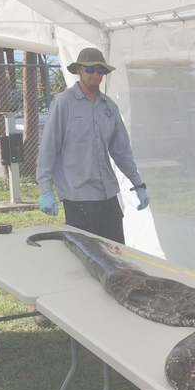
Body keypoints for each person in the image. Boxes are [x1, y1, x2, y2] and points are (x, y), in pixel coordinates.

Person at [36, 48, 149, 245]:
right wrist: (46, 190)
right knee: (86, 253)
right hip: (78, 197)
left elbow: (122, 151)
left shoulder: (109, 107)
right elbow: (48, 149)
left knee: (115, 251)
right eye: (90, 70)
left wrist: (138, 184)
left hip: (107, 195)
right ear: (79, 70)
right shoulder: (63, 103)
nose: (95, 75)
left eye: (100, 70)